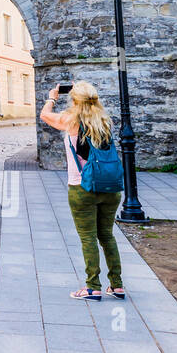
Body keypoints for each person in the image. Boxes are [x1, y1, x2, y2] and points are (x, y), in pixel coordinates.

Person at [41, 81, 124, 301]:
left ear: (74, 100)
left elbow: (45, 115)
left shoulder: (70, 121)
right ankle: (117, 285)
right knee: (107, 235)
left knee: (88, 238)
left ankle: (92, 287)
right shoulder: (106, 121)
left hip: (81, 187)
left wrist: (52, 97)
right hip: (110, 187)